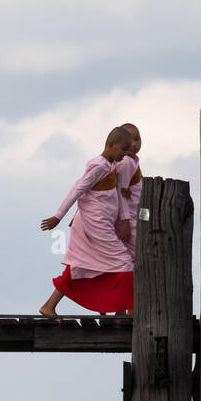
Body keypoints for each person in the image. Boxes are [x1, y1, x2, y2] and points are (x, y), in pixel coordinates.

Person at [39, 126, 135, 317]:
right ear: (110, 145)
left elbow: (117, 194)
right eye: (123, 149)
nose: (125, 154)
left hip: (100, 222)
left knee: (81, 265)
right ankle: (120, 312)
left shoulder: (111, 166)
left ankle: (48, 306)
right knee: (125, 263)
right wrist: (58, 216)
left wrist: (124, 219)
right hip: (95, 223)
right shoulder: (99, 166)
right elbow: (78, 188)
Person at [115, 123, 143, 265]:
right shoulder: (126, 162)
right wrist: (125, 222)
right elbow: (121, 194)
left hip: (137, 216)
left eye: (137, 138)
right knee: (137, 258)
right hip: (129, 219)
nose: (134, 144)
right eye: (129, 140)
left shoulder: (132, 161)